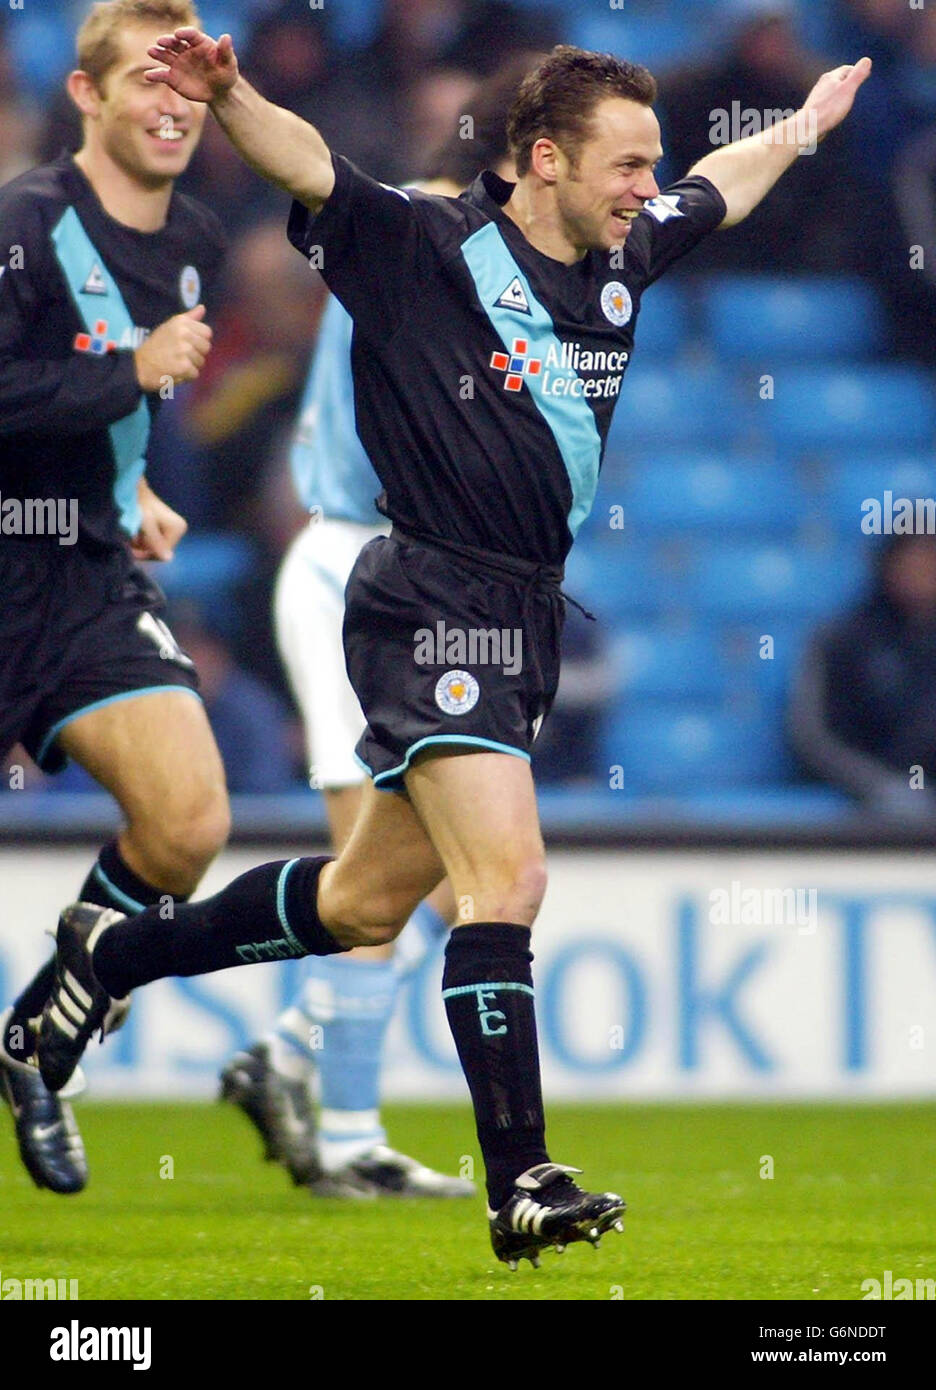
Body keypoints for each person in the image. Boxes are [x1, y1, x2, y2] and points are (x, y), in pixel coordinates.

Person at [36, 29, 871, 1269]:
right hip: (431, 597)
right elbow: (314, 166)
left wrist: (799, 130)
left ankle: (121, 950)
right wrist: (234, 94)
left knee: (359, 898)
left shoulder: (625, 251)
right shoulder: (424, 247)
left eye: (652, 165)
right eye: (627, 164)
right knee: (510, 881)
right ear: (543, 159)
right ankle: (519, 1176)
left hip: (526, 607)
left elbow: (719, 187)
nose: (651, 184)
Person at [219, 61, 533, 1201]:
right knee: (381, 871)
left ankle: (292, 1058)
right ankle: (341, 1123)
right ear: (526, 155)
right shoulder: (425, 238)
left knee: (426, 875)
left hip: (410, 571)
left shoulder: (440, 239)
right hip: (362, 562)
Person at [0, 0, 229, 1195]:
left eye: (189, 82)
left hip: (86, 570)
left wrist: (130, 487)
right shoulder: (23, 224)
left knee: (189, 819)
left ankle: (42, 1031)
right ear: (85, 96)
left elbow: (117, 414)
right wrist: (123, 376)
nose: (172, 101)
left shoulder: (195, 234)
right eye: (147, 79)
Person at [791, 533, 936, 821]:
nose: (921, 573)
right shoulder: (842, 640)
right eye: (912, 561)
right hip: (867, 801)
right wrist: (877, 786)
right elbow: (811, 737)